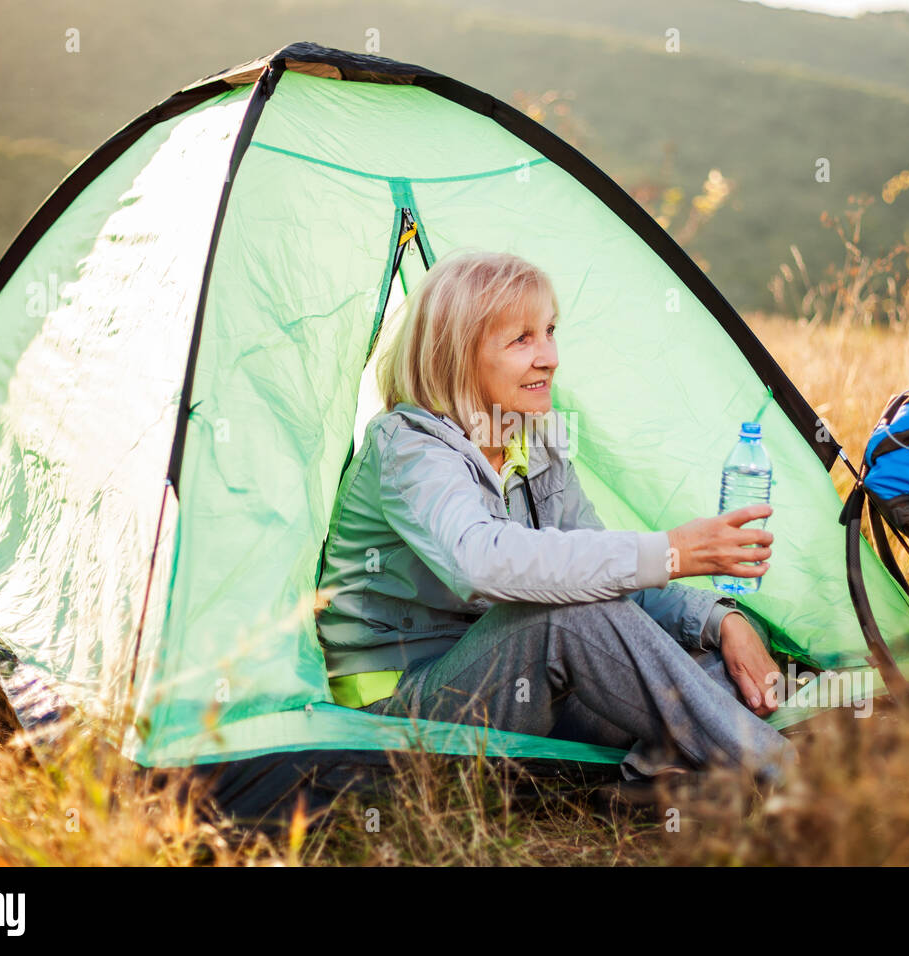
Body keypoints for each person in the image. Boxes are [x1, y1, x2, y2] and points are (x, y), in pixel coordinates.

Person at [315, 249, 796, 783]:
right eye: (521, 339)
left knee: (717, 646)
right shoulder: (408, 448)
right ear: (456, 354)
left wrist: (718, 619)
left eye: (549, 331)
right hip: (402, 713)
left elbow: (600, 569)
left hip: (515, 689)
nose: (549, 356)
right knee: (565, 614)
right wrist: (670, 552)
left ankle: (655, 781)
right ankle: (788, 775)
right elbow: (482, 563)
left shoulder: (533, 440)